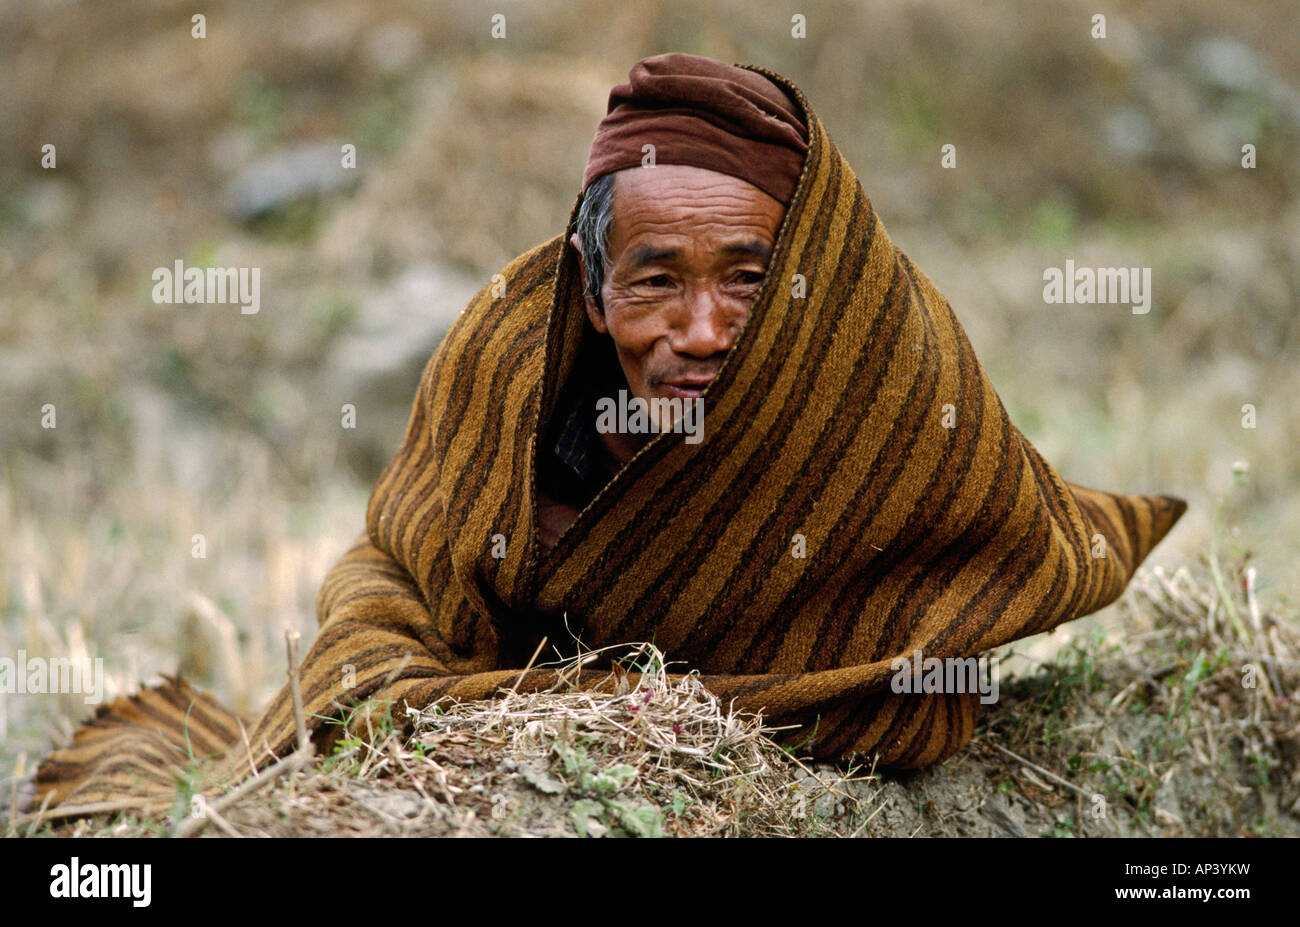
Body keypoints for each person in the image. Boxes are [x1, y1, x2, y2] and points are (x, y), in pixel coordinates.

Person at [32, 53, 1185, 814]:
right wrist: (485, 703)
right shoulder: (508, 363)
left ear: (810, 283)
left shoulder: (880, 368)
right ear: (588, 292)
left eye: (746, 280)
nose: (700, 330)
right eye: (654, 283)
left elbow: (993, 581)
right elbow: (395, 576)